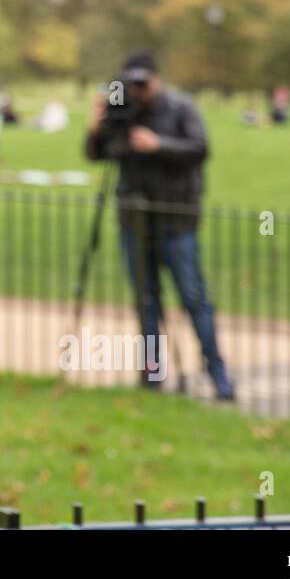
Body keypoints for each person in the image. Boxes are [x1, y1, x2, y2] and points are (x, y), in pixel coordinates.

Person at [84, 51, 235, 401]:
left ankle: (218, 374)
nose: (137, 90)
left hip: (176, 221)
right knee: (146, 301)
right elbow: (96, 154)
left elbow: (200, 148)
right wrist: (97, 124)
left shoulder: (181, 108)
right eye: (131, 83)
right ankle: (152, 375)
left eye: (143, 83)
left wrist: (158, 144)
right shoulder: (122, 112)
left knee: (194, 298)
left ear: (156, 79)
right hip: (134, 222)